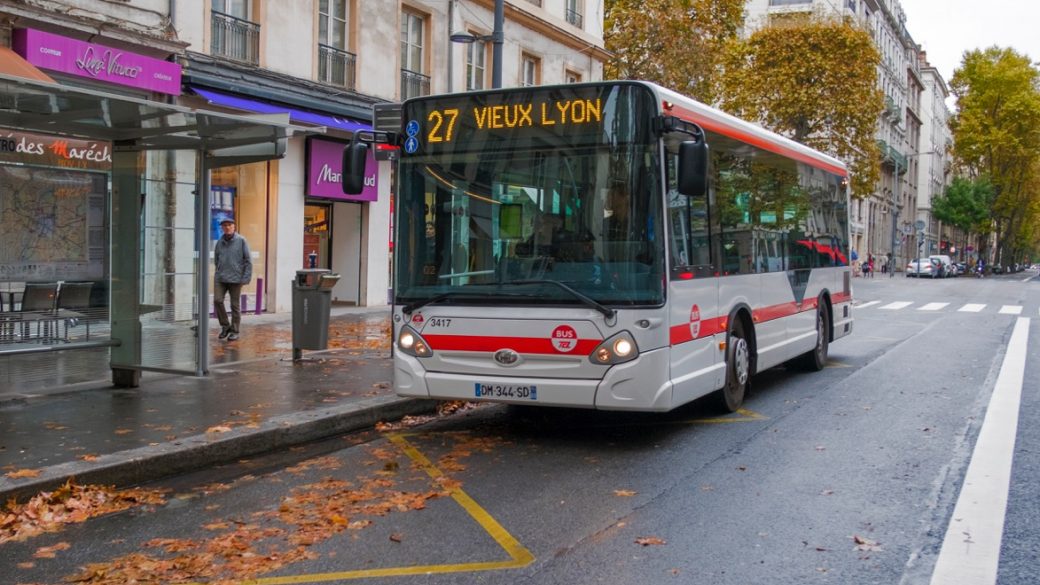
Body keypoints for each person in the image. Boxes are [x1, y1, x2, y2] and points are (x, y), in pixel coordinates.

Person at [213, 217, 252, 341]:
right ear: (222, 228)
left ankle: (235, 330)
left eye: (229, 225)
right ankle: (225, 326)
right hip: (221, 277)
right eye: (224, 225)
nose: (227, 227)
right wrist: (218, 270)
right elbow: (216, 259)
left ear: (234, 227)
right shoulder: (219, 242)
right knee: (217, 300)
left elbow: (248, 261)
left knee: (235, 306)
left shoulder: (241, 241)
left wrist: (245, 278)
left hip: (236, 279)